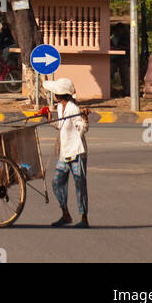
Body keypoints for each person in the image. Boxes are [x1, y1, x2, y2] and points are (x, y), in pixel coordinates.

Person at [48, 76, 90, 228]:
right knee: (57, 182)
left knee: (80, 184)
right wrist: (49, 119)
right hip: (65, 152)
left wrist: (84, 119)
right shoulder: (60, 108)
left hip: (77, 152)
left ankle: (84, 218)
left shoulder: (73, 108)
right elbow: (61, 125)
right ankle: (65, 213)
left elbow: (83, 128)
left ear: (61, 94)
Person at [110, 21, 130, 96]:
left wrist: (118, 48)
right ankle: (110, 90)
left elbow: (127, 48)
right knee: (109, 73)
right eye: (116, 30)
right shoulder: (112, 38)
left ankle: (127, 91)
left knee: (125, 76)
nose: (118, 31)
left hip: (123, 59)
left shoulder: (126, 38)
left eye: (119, 30)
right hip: (113, 59)